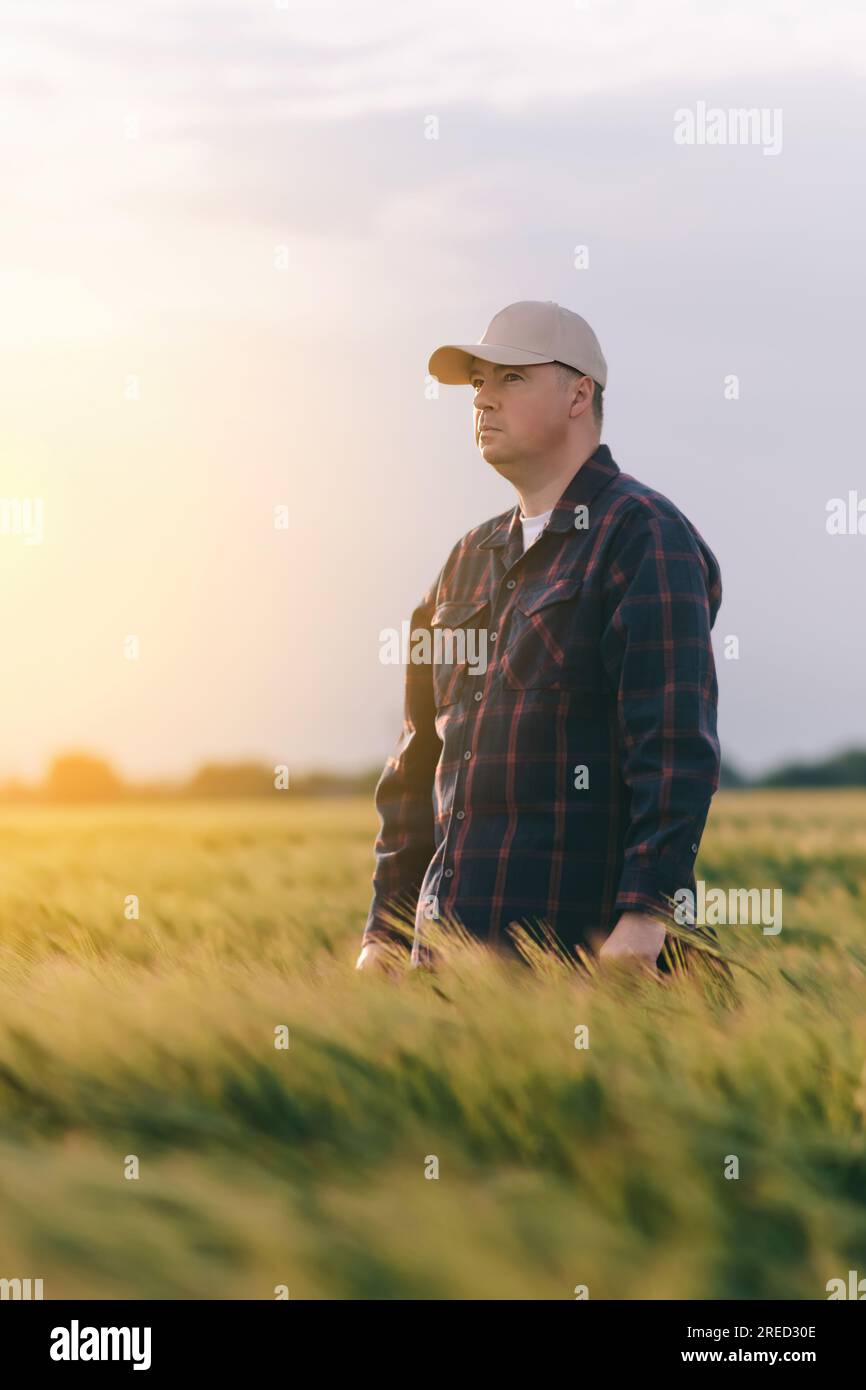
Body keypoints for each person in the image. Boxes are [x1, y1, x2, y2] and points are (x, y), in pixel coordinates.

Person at [356, 299, 723, 981]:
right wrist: (388, 925)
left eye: (511, 379)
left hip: (585, 969)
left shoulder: (643, 536)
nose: (484, 401)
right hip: (445, 969)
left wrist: (646, 918)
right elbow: (416, 764)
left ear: (579, 393)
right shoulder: (464, 562)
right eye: (477, 385)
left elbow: (672, 747)